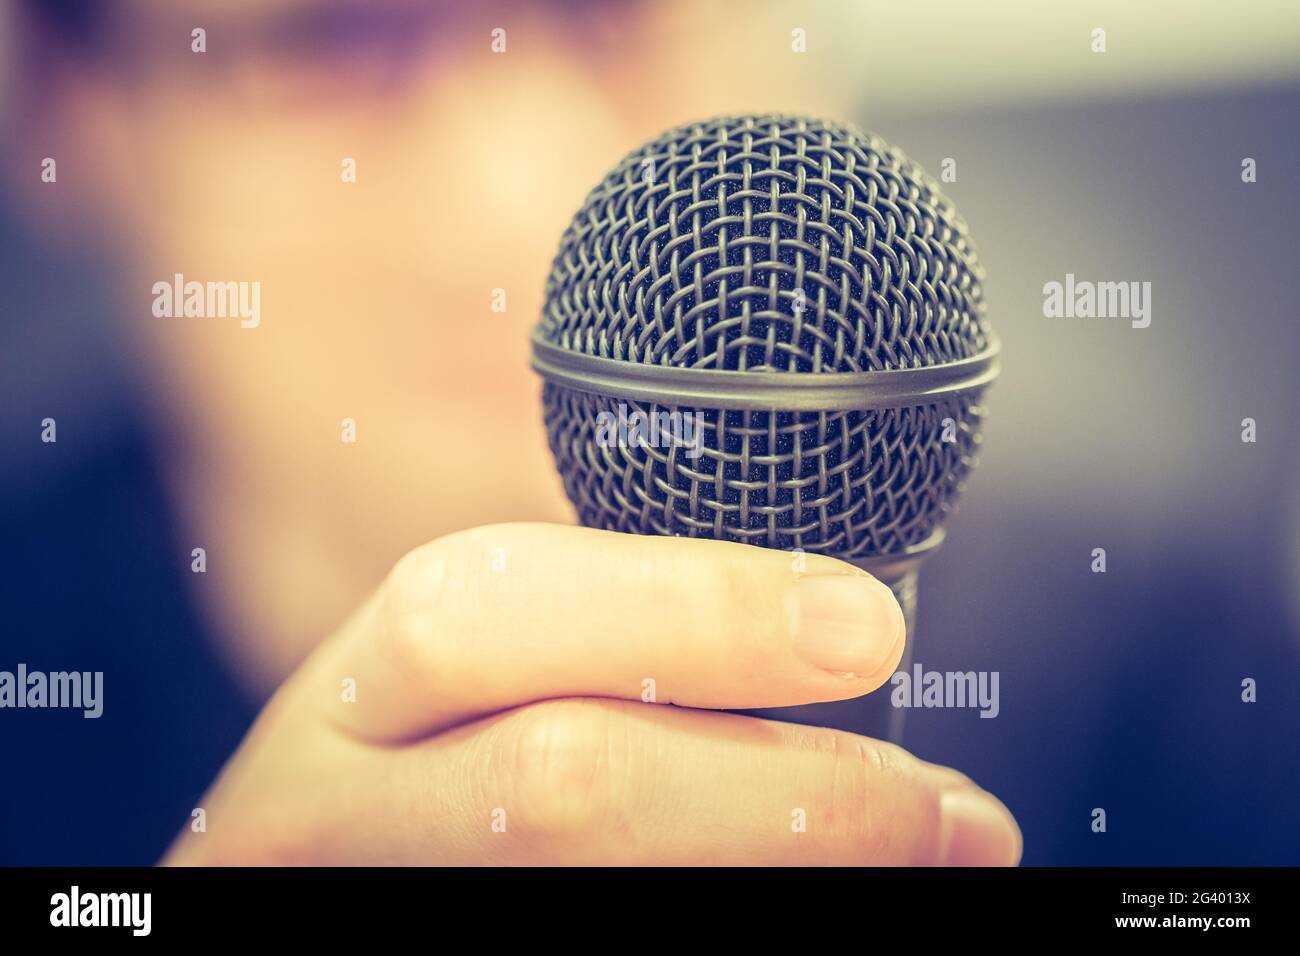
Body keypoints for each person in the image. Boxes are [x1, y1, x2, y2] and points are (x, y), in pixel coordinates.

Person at [1, 0, 1020, 865]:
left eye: (619, 8)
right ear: (64, 113)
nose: (516, 194)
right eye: (320, 42)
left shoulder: (1151, 708)